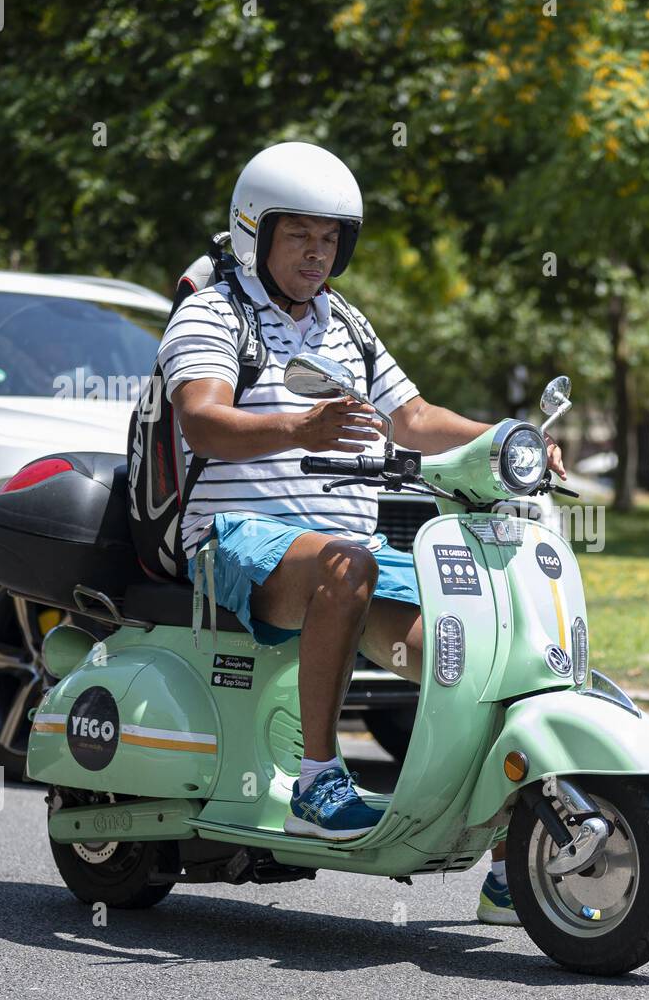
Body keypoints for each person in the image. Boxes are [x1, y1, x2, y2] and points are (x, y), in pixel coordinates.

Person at [158, 141, 564, 925]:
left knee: (476, 640)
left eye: (330, 238)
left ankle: (515, 852)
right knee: (346, 563)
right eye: (299, 235)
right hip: (238, 544)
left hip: (348, 560)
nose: (317, 253)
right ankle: (317, 781)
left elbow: (412, 420)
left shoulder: (346, 323)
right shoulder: (213, 313)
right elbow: (202, 420)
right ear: (255, 234)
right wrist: (299, 428)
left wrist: (508, 437)